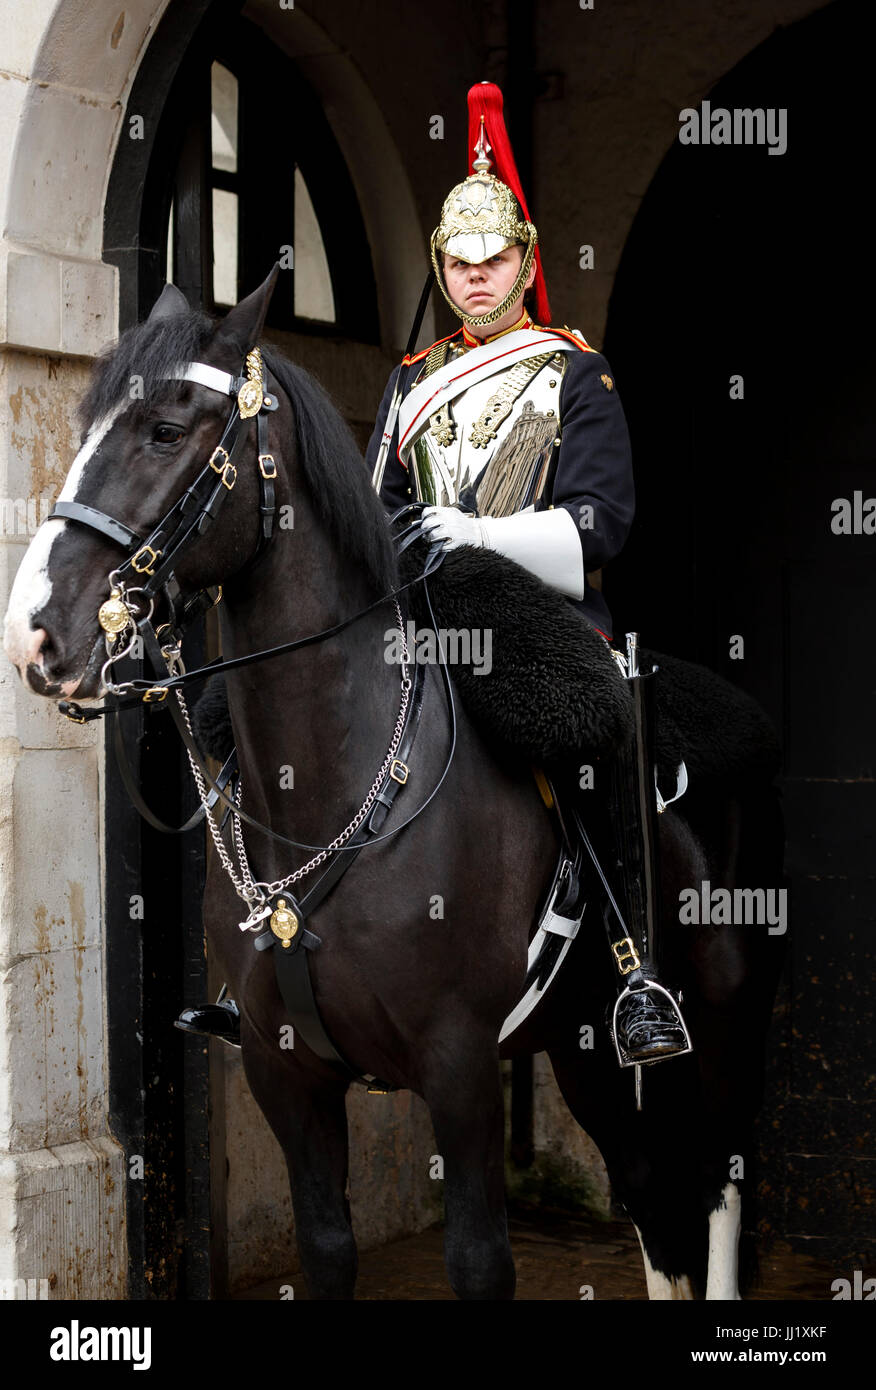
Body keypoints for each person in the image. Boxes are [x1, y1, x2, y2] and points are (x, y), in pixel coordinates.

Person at [179, 81, 688, 1061]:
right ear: (440, 269)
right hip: (414, 608)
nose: (476, 279)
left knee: (587, 722)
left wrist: (468, 534)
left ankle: (635, 973)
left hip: (537, 611)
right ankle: (252, 969)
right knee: (231, 715)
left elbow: (597, 530)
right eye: (458, 264)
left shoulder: (576, 374)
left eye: (494, 260)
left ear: (526, 261)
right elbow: (372, 512)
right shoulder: (411, 380)